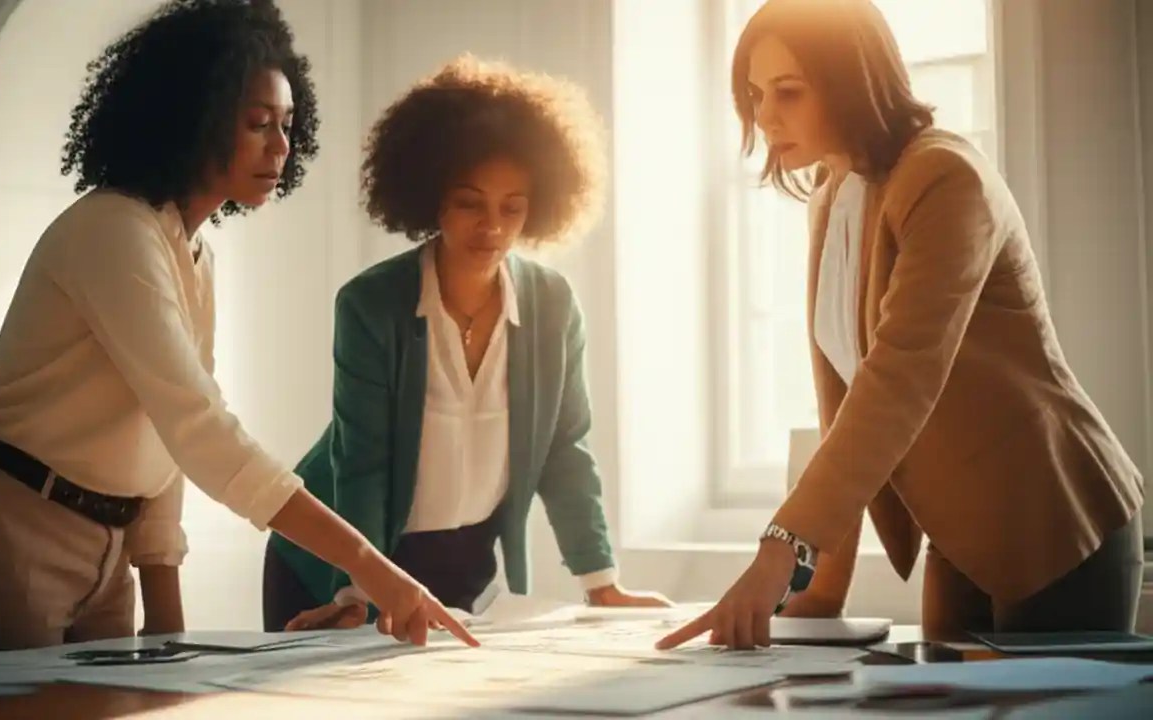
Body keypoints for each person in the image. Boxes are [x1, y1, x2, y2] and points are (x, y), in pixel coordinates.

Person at [0, 0, 474, 658]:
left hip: (107, 544)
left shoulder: (195, 254)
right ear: (192, 119)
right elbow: (199, 428)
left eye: (289, 125)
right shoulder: (114, 230)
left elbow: (164, 442)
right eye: (258, 123)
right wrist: (375, 569)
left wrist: (166, 617)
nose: (282, 147)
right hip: (4, 525)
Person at [660, 0, 1144, 651]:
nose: (764, 116)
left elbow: (900, 377)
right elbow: (846, 408)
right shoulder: (835, 194)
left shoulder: (945, 178)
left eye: (789, 91)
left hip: (1052, 519)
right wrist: (816, 594)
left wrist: (781, 544)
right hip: (960, 531)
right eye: (753, 93)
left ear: (852, 77)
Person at [263, 56, 671, 633]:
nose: (492, 227)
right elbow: (361, 462)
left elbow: (566, 450)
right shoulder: (369, 305)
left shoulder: (553, 305)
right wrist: (355, 592)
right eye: (469, 202)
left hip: (466, 567)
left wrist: (601, 583)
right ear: (432, 197)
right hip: (333, 567)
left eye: (512, 207)